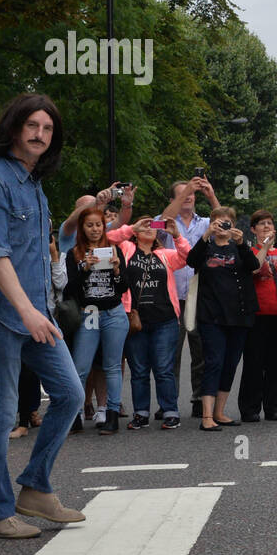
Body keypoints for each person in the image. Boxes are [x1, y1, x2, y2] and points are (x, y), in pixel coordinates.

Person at [0, 94, 86, 538]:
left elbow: (35, 256)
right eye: (32, 125)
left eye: (48, 128)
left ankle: (34, 487)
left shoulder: (32, 183)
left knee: (69, 394)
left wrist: (42, 312)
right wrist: (26, 311)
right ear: (15, 128)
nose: (40, 134)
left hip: (35, 313)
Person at [110, 217, 191, 430]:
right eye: (143, 226)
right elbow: (107, 237)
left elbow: (189, 257)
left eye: (152, 227)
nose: (148, 229)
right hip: (135, 319)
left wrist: (176, 235)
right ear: (136, 232)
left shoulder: (164, 255)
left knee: (164, 368)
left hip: (164, 319)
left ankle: (170, 411)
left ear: (157, 234)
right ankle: (141, 413)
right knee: (138, 369)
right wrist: (130, 228)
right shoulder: (126, 249)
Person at [187, 206, 258, 430]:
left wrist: (242, 243)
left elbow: (254, 266)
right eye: (217, 222)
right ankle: (207, 416)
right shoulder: (205, 248)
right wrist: (206, 235)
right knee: (213, 362)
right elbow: (191, 260)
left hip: (239, 315)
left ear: (233, 225)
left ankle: (219, 411)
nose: (222, 226)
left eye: (226, 222)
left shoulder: (238, 247)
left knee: (230, 364)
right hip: (212, 315)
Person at [156, 177, 221, 418]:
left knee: (200, 351)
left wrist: (211, 195)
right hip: (170, 295)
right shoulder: (168, 224)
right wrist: (186, 193)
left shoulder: (205, 223)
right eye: (183, 194)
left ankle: (198, 399)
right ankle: (168, 403)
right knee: (170, 354)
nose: (190, 196)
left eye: (193, 194)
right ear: (174, 200)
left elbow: (225, 222)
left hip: (199, 295)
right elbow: (159, 223)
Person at [65, 207, 129, 435]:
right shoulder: (74, 254)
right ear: (82, 228)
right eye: (89, 225)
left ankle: (112, 415)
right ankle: (75, 414)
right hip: (89, 313)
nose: (94, 229)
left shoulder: (114, 249)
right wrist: (85, 268)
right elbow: (70, 289)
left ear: (104, 226)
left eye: (98, 225)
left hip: (113, 312)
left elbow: (123, 287)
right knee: (80, 368)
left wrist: (117, 270)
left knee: (112, 366)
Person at [237, 209, 277, 421]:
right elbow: (254, 269)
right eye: (262, 224)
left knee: (276, 364)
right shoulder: (251, 250)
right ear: (253, 229)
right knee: (254, 363)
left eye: (270, 224)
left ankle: (272, 406)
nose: (267, 227)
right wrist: (264, 246)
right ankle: (250, 408)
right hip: (257, 314)